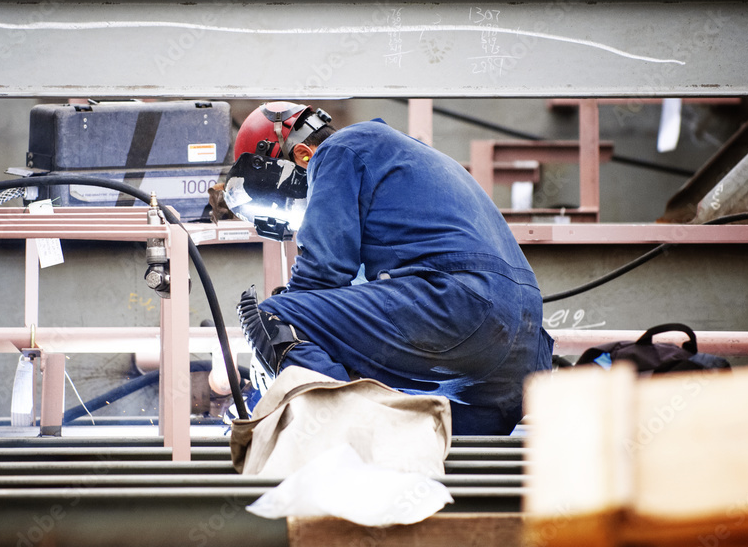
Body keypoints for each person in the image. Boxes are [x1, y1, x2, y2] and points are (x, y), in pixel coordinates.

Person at [231, 101, 554, 436]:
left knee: (274, 317)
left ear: (302, 155)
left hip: (460, 311)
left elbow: (322, 272)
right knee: (427, 450)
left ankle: (350, 438)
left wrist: (277, 351)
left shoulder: (339, 149)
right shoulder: (403, 158)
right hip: (525, 357)